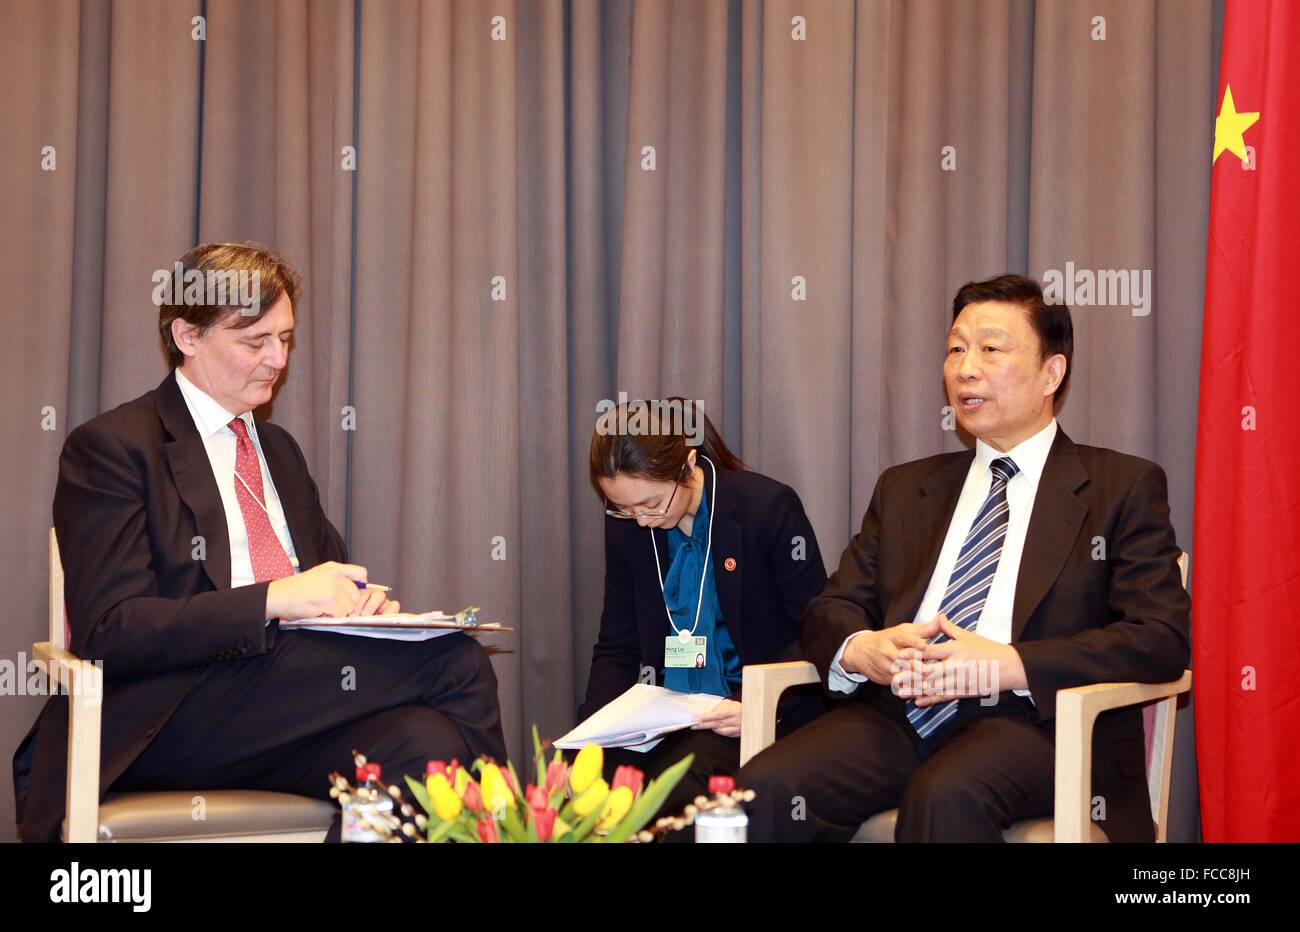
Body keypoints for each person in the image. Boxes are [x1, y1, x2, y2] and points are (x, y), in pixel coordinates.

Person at [13, 242, 505, 842]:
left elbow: (325, 581)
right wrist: (275, 598)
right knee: (456, 661)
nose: (277, 359)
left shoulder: (279, 451)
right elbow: (111, 630)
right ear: (187, 336)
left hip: (285, 708)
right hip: (169, 714)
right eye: (255, 341)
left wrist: (365, 608)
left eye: (286, 339)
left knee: (429, 746)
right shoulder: (114, 447)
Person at [737, 274, 1191, 842]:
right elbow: (833, 604)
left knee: (948, 792)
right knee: (762, 789)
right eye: (956, 349)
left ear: (1052, 373)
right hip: (899, 717)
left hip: (1041, 727)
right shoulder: (906, 488)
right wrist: (864, 648)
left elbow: (1160, 638)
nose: (965, 368)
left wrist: (1009, 663)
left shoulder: (1119, 486)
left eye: (991, 349)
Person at [575, 398, 828, 825]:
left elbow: (818, 631)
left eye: (651, 504)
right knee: (580, 784)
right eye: (623, 507)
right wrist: (588, 739)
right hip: (663, 714)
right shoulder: (628, 528)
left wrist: (758, 706)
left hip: (743, 713)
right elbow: (618, 646)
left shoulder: (764, 508)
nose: (639, 520)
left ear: (687, 464)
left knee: (665, 791)